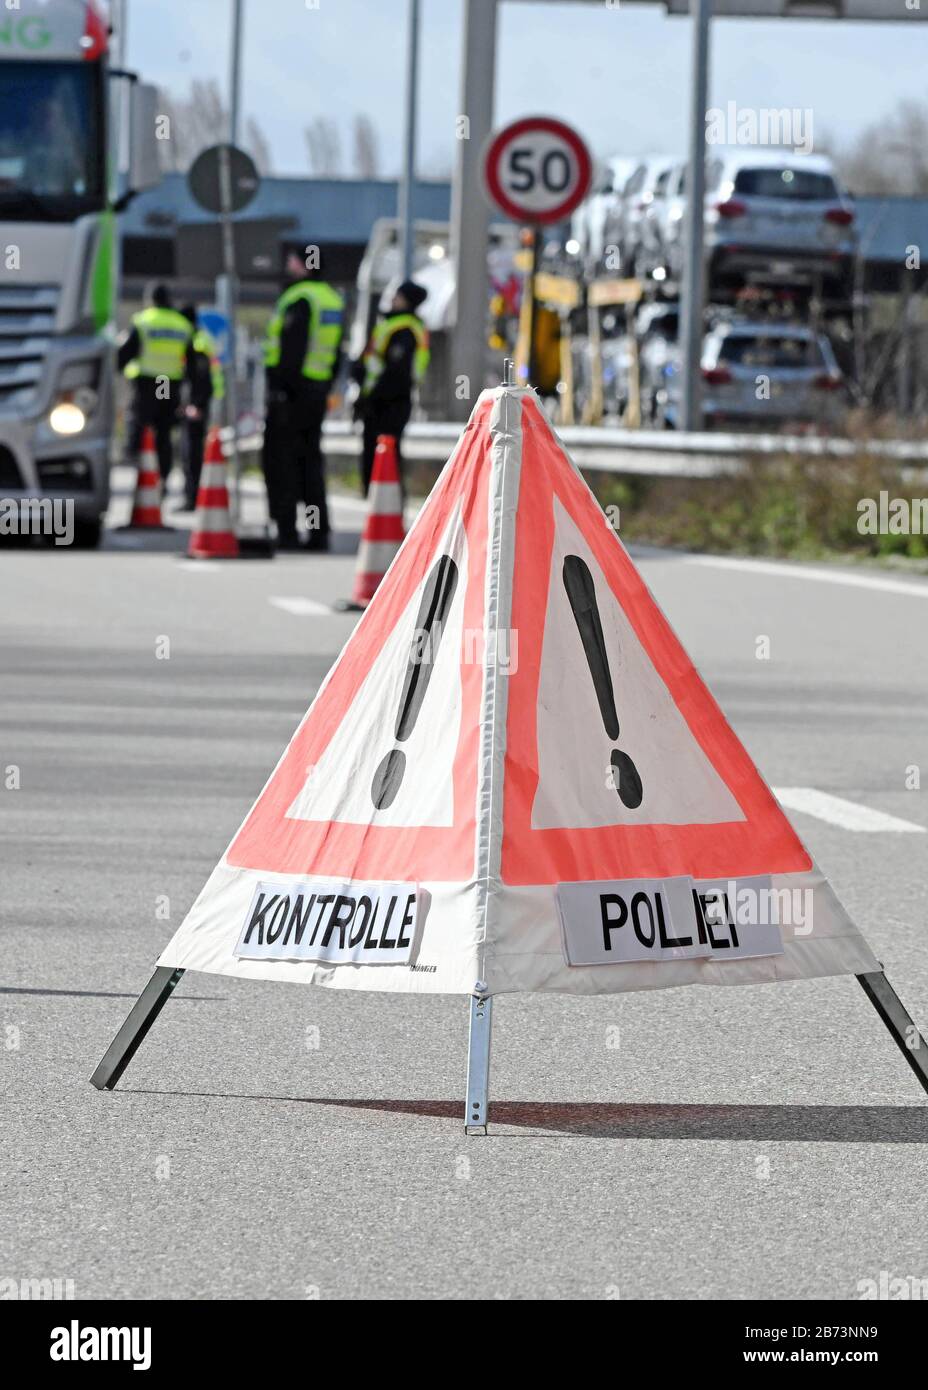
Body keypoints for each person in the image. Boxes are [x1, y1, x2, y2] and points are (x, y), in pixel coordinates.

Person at [262, 251, 345, 551]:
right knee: (310, 463)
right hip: (316, 392)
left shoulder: (300, 299)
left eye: (293, 261)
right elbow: (335, 352)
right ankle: (317, 531)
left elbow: (291, 349)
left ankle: (287, 532)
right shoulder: (331, 300)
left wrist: (280, 390)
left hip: (291, 396)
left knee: (282, 463)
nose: (287, 266)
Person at [352, 280, 430, 496]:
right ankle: (382, 504)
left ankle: (386, 506)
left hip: (388, 403)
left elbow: (396, 372)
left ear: (406, 301)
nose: (393, 299)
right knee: (382, 454)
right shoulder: (396, 325)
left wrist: (371, 399)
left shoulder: (404, 330)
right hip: (381, 401)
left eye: (398, 296)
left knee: (385, 455)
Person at [118, 283, 193, 488]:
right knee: (164, 431)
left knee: (140, 425)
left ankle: (138, 469)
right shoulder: (181, 324)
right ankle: (163, 477)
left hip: (147, 383)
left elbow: (125, 354)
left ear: (151, 300)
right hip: (166, 383)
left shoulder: (144, 320)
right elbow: (191, 361)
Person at [179, 305, 225, 511]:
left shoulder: (197, 344)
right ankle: (192, 496)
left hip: (198, 405)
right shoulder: (199, 340)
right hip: (198, 403)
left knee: (193, 453)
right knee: (190, 451)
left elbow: (201, 378)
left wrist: (195, 404)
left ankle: (193, 498)